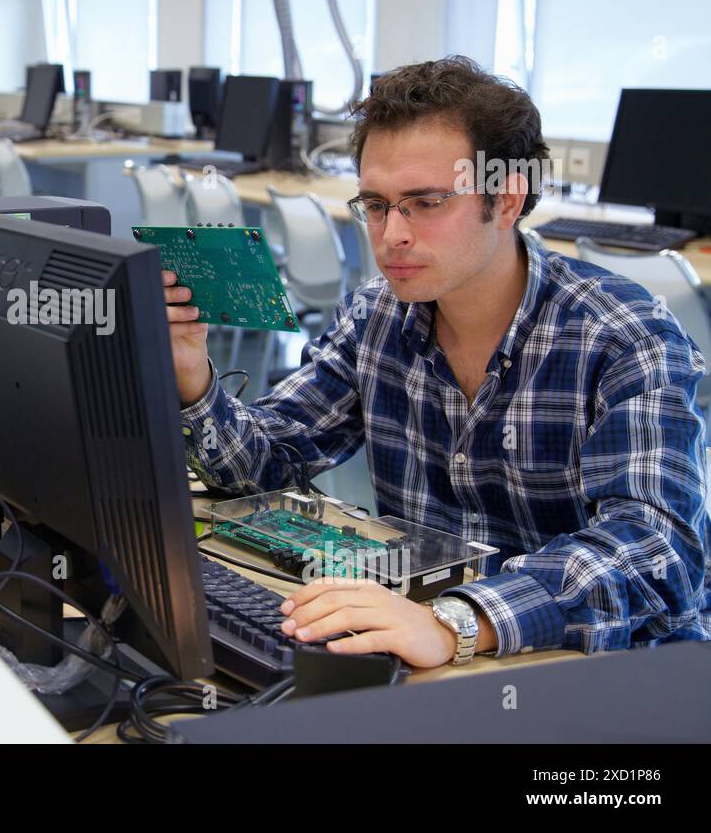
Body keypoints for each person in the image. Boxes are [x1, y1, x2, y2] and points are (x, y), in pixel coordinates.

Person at [169, 56, 710, 668]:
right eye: (375, 204)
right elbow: (267, 463)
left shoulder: (622, 336)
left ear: (506, 199)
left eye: (424, 202)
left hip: (614, 674)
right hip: (441, 653)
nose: (391, 234)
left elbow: (655, 553)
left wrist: (461, 619)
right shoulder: (377, 316)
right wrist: (193, 379)